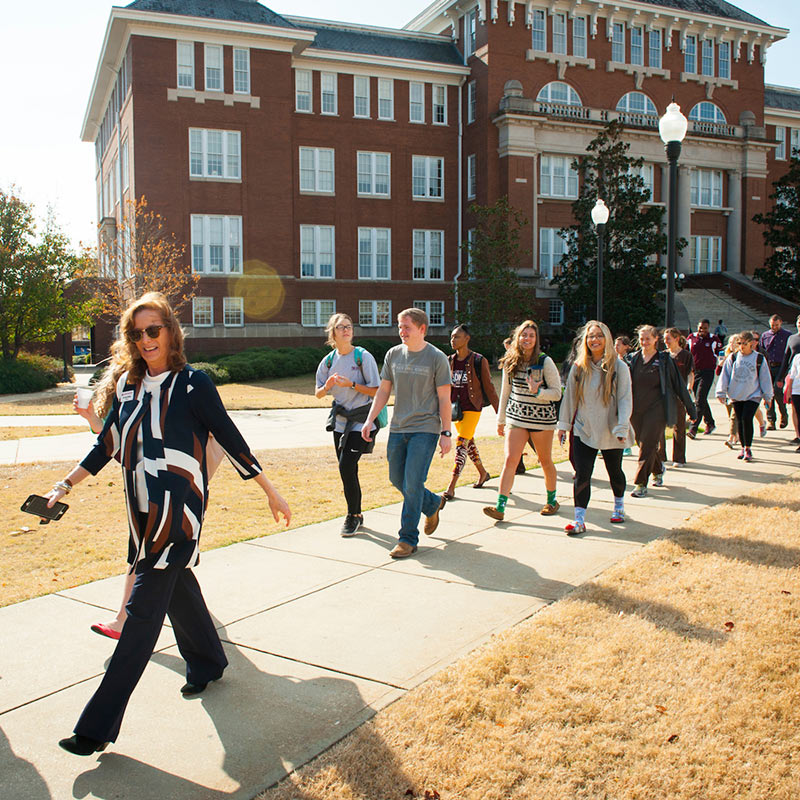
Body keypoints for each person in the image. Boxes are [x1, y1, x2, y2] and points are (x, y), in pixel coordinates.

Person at [48, 292, 291, 756]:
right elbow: (107, 445)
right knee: (178, 589)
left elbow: (228, 436)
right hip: (141, 514)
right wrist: (64, 485)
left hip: (178, 514)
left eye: (153, 330)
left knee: (141, 617)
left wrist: (269, 489)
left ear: (171, 332)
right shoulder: (127, 387)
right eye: (136, 333)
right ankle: (207, 662)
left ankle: (95, 728)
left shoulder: (193, 385)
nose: (145, 340)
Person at [72, 368, 226, 640]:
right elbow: (112, 437)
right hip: (148, 491)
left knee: (150, 558)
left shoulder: (183, 388)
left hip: (179, 493)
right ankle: (202, 645)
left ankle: (125, 621)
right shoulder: (135, 390)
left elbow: (218, 439)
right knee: (168, 567)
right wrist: (90, 418)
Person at [361, 308, 451, 559]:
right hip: (399, 427)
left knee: (412, 482)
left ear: (422, 329)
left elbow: (445, 397)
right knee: (397, 479)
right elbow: (383, 391)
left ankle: (407, 538)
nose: (401, 331)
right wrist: (369, 420)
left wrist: (446, 432)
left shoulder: (437, 358)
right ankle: (432, 504)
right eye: (400, 327)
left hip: (426, 428)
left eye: (407, 327)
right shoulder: (393, 355)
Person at [557, 321, 632, 534]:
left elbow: (626, 399)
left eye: (599, 335)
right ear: (585, 341)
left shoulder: (619, 367)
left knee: (614, 471)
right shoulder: (579, 367)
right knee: (582, 474)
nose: (595, 340)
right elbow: (570, 398)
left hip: (611, 430)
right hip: (584, 428)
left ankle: (619, 506)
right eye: (591, 336)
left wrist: (622, 427)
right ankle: (579, 520)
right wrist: (563, 425)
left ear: (606, 339)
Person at [483, 320, 562, 521]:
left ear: (536, 340)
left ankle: (552, 501)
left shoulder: (545, 362)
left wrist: (538, 392)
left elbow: (557, 393)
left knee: (544, 460)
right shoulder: (511, 361)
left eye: (531, 336)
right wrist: (500, 420)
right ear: (518, 337)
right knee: (510, 460)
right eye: (524, 335)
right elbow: (505, 392)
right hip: (516, 417)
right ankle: (500, 507)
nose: (527, 339)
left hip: (541, 420)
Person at [315, 313, 380, 536]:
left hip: (362, 420)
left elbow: (377, 391)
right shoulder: (329, 361)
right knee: (348, 469)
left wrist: (352, 384)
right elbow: (318, 393)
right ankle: (357, 514)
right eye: (341, 327)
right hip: (340, 422)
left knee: (346, 467)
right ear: (332, 333)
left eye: (349, 326)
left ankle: (352, 516)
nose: (346, 330)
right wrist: (328, 386)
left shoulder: (363, 357)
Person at [627, 325, 697, 497]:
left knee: (649, 443)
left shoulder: (665, 360)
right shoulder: (632, 359)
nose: (644, 342)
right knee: (643, 443)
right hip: (636, 409)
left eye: (648, 339)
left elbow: (679, 386)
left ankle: (640, 484)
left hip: (657, 409)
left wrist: (691, 409)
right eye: (641, 339)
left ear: (655, 339)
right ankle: (657, 469)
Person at [443, 325, 499, 500]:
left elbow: (489, 387)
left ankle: (451, 486)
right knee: (468, 442)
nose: (453, 340)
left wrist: (501, 414)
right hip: (456, 410)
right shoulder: (449, 360)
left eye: (457, 337)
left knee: (461, 444)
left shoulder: (478, 360)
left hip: (473, 408)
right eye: (452, 337)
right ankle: (483, 473)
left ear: (467, 338)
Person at [715, 330, 774, 462]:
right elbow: (725, 375)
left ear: (752, 344)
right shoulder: (733, 358)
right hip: (736, 394)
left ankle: (748, 448)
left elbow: (765, 378)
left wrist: (767, 396)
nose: (741, 346)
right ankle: (742, 447)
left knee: (747, 418)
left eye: (745, 343)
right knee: (740, 420)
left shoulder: (759, 358)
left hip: (753, 394)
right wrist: (721, 392)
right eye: (740, 343)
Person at [658, 327, 694, 467]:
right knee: (660, 426)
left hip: (679, 394)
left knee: (679, 426)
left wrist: (689, 388)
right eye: (664, 339)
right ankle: (661, 456)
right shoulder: (662, 355)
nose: (665, 341)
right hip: (663, 395)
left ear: (676, 339)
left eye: (668, 339)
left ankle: (679, 458)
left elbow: (691, 373)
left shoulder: (686, 355)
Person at [686, 319, 722, 438]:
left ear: (709, 328)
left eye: (705, 328)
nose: (702, 330)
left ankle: (693, 429)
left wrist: (719, 366)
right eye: (701, 328)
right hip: (694, 372)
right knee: (700, 399)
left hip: (708, 372)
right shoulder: (691, 338)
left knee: (700, 399)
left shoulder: (714, 339)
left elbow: (720, 354)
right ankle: (710, 423)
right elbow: (686, 352)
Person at [760, 314, 791, 430]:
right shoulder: (765, 336)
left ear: (781, 323)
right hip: (767, 367)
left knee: (778, 392)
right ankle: (771, 420)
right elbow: (762, 351)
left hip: (781, 367)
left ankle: (783, 414)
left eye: (776, 325)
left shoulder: (787, 335)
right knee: (768, 394)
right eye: (772, 325)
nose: (774, 327)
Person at [777, 314, 800, 443]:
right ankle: (798, 435)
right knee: (795, 408)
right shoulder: (791, 338)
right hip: (793, 377)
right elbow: (786, 359)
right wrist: (780, 377)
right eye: (799, 322)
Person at [782, 351, 800, 452]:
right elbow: (792, 375)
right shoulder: (797, 357)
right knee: (798, 415)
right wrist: (789, 390)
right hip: (797, 390)